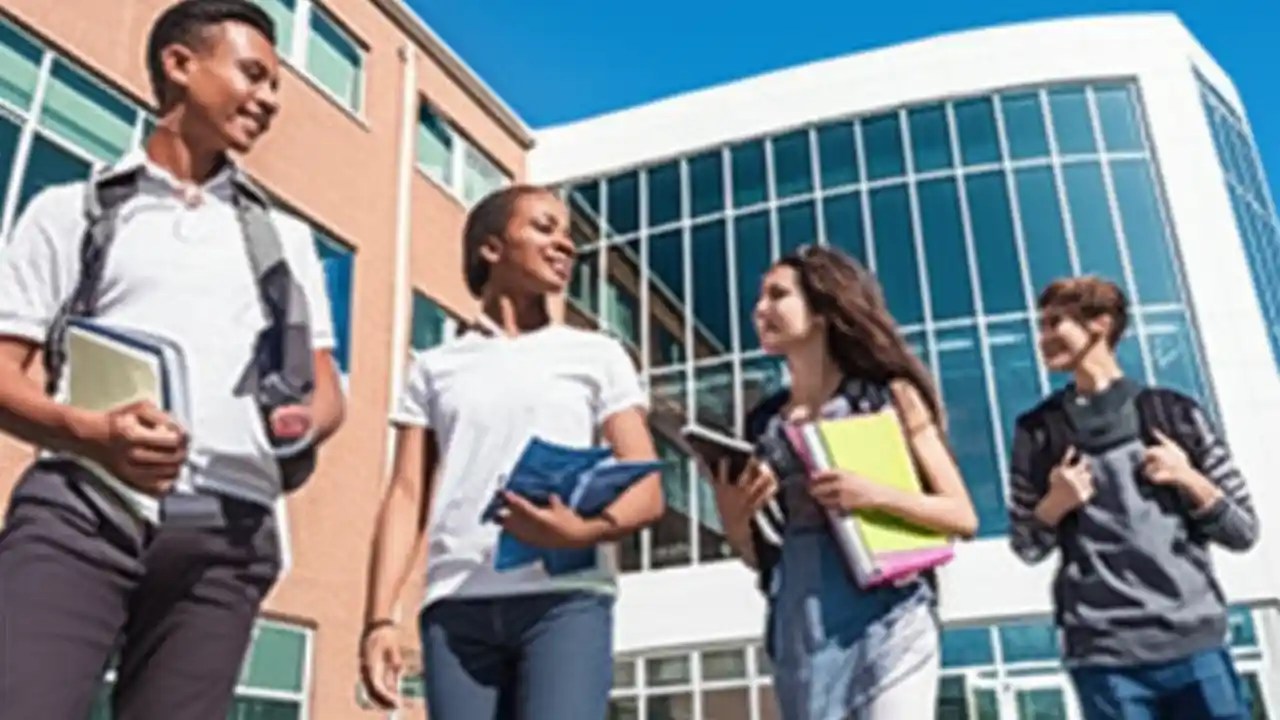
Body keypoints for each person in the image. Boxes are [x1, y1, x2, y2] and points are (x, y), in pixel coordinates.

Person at [0, 1, 345, 717]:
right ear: (180, 65)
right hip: (82, 511)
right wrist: (93, 434)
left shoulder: (286, 239)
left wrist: (300, 423)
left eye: (276, 84)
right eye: (255, 74)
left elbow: (328, 392)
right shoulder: (72, 211)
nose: (271, 100)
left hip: (230, 532)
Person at [359, 184, 664, 718]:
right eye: (545, 228)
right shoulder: (435, 367)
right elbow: (406, 494)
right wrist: (379, 618)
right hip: (457, 607)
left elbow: (646, 486)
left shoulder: (597, 355)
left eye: (569, 236)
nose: (566, 245)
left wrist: (581, 532)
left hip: (565, 599)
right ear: (492, 248)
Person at [709, 245, 978, 719]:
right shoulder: (763, 424)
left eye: (777, 295)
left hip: (892, 619)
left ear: (821, 312)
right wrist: (734, 519)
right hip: (803, 626)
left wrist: (872, 495)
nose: (759, 309)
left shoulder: (891, 397)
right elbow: (761, 558)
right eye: (759, 297)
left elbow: (961, 515)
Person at [1008, 276, 1258, 719]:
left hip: (1196, 647)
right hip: (1105, 661)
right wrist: (1054, 504)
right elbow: (1027, 545)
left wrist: (1189, 479)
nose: (1043, 338)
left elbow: (1243, 531)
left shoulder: (1175, 413)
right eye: (1041, 326)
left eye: (1054, 323)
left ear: (1100, 325)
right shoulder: (1037, 432)